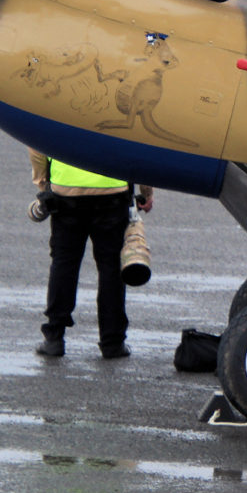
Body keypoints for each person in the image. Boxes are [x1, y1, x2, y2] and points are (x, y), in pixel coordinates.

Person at [29, 149, 153, 359]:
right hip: (112, 191)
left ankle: (54, 338)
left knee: (64, 265)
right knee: (111, 269)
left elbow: (37, 146)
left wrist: (43, 185)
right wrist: (146, 191)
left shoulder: (60, 113)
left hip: (65, 192)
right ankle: (112, 342)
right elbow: (137, 145)